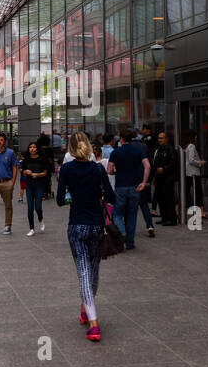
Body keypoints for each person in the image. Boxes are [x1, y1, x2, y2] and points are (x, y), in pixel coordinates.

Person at [57, 131, 114, 343]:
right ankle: (86, 309)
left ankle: (93, 323)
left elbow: (60, 200)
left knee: (83, 273)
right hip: (97, 225)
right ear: (89, 146)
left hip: (77, 226)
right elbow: (111, 197)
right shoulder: (98, 169)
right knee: (93, 270)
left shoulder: (67, 169)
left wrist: (75, 197)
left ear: (70, 149)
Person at [107, 127, 151, 250]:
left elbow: (109, 170)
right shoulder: (138, 151)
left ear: (121, 139)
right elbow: (147, 166)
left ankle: (122, 233)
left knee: (117, 213)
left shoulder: (115, 152)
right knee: (132, 215)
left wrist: (116, 172)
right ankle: (130, 243)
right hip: (135, 186)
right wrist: (143, 182)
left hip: (120, 186)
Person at [20, 140, 49, 235]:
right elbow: (22, 170)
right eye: (30, 147)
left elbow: (45, 172)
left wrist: (38, 174)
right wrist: (26, 172)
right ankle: (31, 228)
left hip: (39, 184)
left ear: (37, 149)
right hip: (29, 184)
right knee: (30, 207)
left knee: (38, 207)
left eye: (34, 147)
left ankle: (41, 219)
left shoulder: (42, 159)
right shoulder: (26, 159)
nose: (32, 149)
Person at [152, 131, 178, 225]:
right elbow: (155, 164)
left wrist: (164, 169)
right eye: (159, 138)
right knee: (161, 199)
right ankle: (164, 217)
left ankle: (172, 219)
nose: (160, 140)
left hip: (168, 178)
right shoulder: (159, 149)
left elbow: (173, 164)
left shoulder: (170, 149)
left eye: (162, 138)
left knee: (169, 199)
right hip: (159, 178)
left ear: (166, 139)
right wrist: (154, 177)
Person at [184, 131, 206, 218]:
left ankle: (178, 209)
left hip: (187, 172)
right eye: (196, 136)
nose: (197, 138)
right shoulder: (192, 146)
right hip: (193, 173)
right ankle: (201, 212)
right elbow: (191, 160)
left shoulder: (186, 146)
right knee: (198, 192)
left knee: (186, 192)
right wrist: (200, 163)